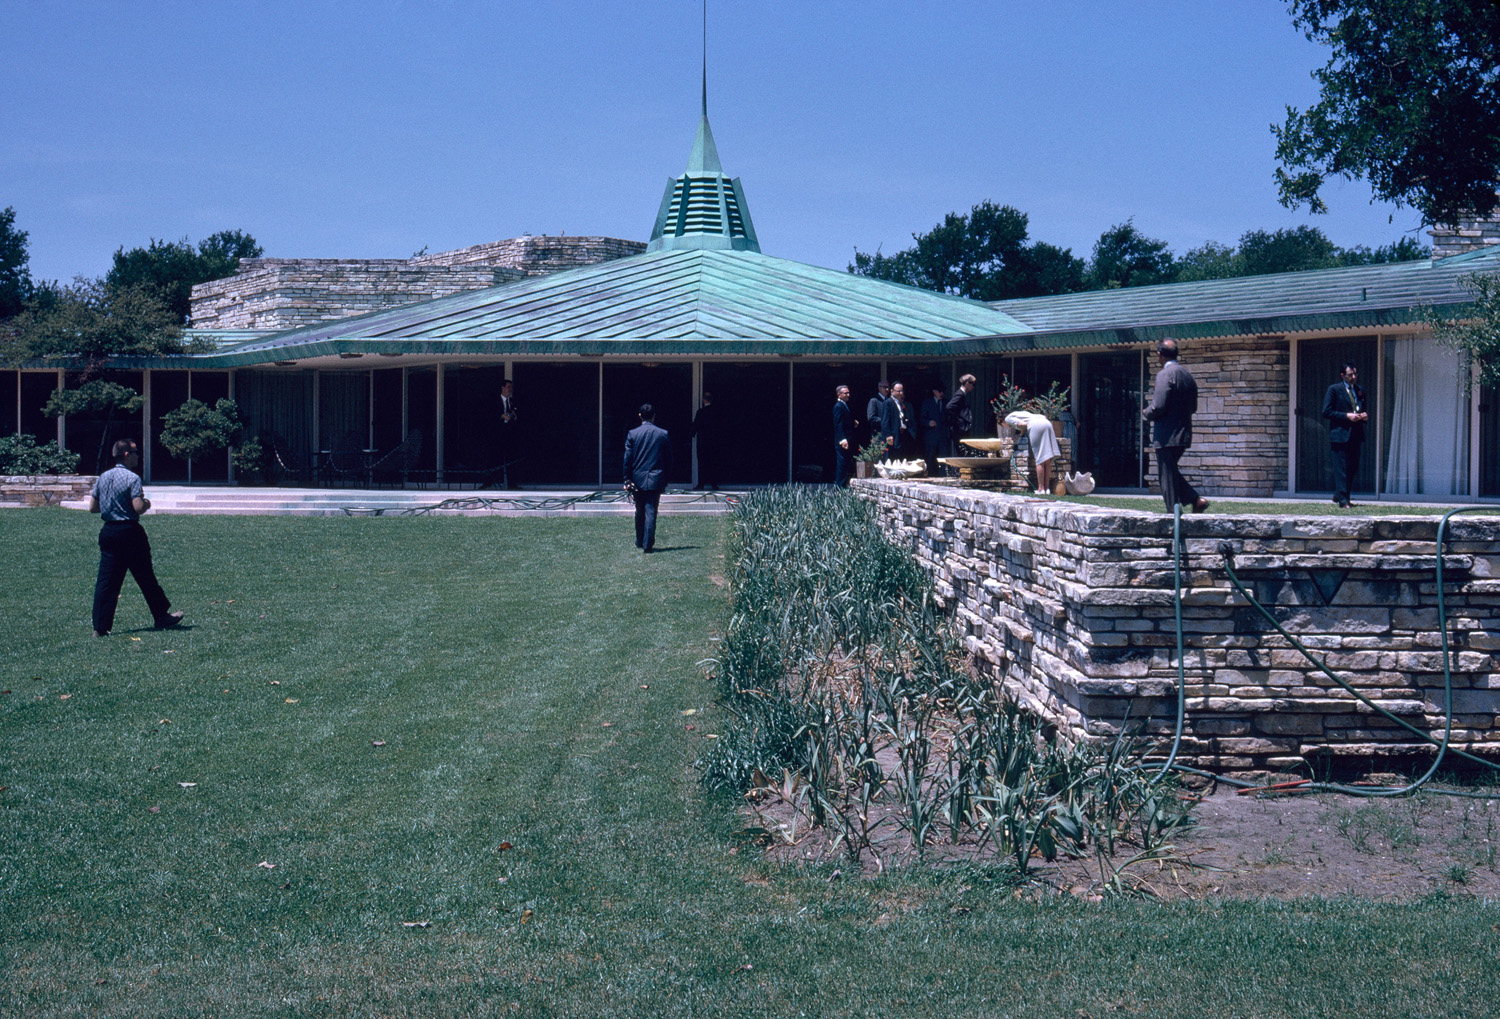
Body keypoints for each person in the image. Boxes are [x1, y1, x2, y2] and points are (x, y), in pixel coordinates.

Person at [89, 438, 184, 637]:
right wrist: (147, 503)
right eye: (135, 452)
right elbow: (138, 508)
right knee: (145, 576)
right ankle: (161, 615)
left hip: (108, 532)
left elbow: (93, 507)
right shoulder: (132, 478)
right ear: (126, 455)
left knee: (107, 581)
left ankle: (100, 627)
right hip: (130, 532)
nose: (138, 456)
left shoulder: (103, 477)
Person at [1142, 338, 1210, 514]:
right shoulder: (1187, 375)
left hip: (1166, 435)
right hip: (1183, 434)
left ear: (1159, 354)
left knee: (1166, 476)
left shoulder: (1165, 375)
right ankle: (1195, 501)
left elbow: (1159, 405)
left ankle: (1173, 515)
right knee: (1169, 472)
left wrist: (1146, 412)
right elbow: (1193, 407)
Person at [622, 403, 674, 553]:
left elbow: (627, 459)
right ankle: (648, 543)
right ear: (654, 416)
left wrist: (627, 479)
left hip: (638, 478)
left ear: (640, 415)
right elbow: (669, 459)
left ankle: (640, 539)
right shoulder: (662, 434)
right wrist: (667, 477)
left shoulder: (633, 434)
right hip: (656, 477)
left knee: (640, 511)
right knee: (651, 510)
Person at [1321, 361, 1368, 508]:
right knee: (1341, 468)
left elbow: (1361, 407)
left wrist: (1363, 416)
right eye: (1350, 375)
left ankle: (1341, 494)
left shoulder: (1359, 390)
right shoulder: (1334, 390)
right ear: (1342, 375)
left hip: (1355, 434)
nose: (1353, 377)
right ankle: (1343, 500)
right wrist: (1346, 416)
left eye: (1355, 374)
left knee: (1352, 467)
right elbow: (1326, 411)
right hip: (1340, 435)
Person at [1002, 410, 1061, 496]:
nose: (1005, 426)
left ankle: (1041, 489)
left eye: (1002, 425)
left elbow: (1022, 425)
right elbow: (1041, 417)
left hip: (1036, 425)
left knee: (1040, 459)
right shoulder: (1022, 413)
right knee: (1047, 459)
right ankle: (1047, 489)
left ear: (1002, 421)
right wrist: (1020, 435)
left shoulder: (1008, 418)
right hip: (1047, 423)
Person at [688, 391, 719, 490]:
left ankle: (701, 484)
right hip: (713, 442)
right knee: (713, 463)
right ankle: (714, 484)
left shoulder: (701, 412)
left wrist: (691, 433)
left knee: (702, 463)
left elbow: (695, 426)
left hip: (702, 442)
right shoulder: (716, 412)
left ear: (703, 400)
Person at [945, 374, 976, 474]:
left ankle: (960, 473)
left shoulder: (962, 394)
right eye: (973, 384)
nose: (973, 387)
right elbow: (949, 407)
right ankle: (958, 473)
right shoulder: (960, 394)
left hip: (959, 429)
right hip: (959, 430)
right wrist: (959, 421)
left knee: (962, 451)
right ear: (967, 383)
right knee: (960, 451)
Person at [882, 381, 917, 459]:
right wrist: (888, 435)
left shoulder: (901, 403)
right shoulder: (888, 403)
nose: (901, 393)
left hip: (903, 434)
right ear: (892, 391)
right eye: (898, 391)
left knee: (903, 457)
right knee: (893, 457)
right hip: (894, 435)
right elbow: (885, 421)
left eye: (902, 391)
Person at [497, 378, 520, 489]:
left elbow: (518, 415)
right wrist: (501, 416)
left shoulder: (512, 401)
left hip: (510, 434)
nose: (510, 389)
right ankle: (495, 483)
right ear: (502, 388)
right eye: (508, 387)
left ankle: (512, 483)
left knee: (511, 459)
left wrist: (514, 416)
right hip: (498, 434)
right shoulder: (494, 401)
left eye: (511, 387)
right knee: (497, 459)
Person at [921, 383, 948, 476]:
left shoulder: (946, 403)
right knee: (930, 458)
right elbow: (922, 418)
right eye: (939, 391)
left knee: (943, 459)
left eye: (943, 391)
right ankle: (929, 475)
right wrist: (928, 423)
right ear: (934, 391)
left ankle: (943, 476)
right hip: (931, 436)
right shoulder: (927, 402)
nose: (942, 393)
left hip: (943, 436)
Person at [832, 385, 856, 487]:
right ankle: (839, 487)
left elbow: (845, 421)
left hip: (847, 439)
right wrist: (842, 439)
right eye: (845, 393)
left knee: (845, 463)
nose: (848, 395)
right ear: (839, 394)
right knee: (842, 463)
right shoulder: (838, 406)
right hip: (842, 441)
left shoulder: (844, 405)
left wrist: (852, 423)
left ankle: (842, 485)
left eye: (848, 393)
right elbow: (838, 424)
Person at [866, 381, 891, 449]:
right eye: (885, 387)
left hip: (889, 434)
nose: (887, 389)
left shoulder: (889, 401)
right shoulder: (874, 401)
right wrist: (885, 421)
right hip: (878, 435)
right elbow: (871, 418)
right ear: (879, 388)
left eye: (888, 387)